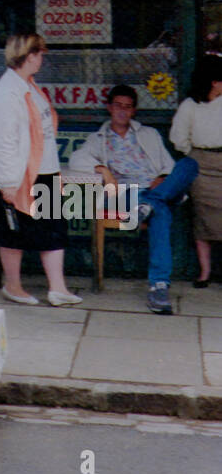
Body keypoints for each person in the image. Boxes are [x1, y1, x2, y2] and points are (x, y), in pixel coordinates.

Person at [69, 84, 198, 314]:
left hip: (154, 187)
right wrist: (102, 170)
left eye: (128, 107)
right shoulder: (98, 138)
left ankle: (149, 203)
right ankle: (159, 287)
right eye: (118, 106)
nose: (122, 111)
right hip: (126, 193)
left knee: (189, 164)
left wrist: (161, 178)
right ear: (109, 108)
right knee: (161, 212)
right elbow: (76, 159)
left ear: (133, 111)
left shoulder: (149, 134)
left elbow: (168, 167)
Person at [0, 33, 82, 307]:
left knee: (53, 229)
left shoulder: (29, 86)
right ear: (28, 56)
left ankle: (58, 288)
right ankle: (13, 286)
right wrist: (9, 183)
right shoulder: (6, 93)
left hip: (45, 170)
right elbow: (3, 143)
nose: (42, 59)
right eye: (39, 54)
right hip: (21, 175)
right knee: (13, 231)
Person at [169, 56, 222, 288]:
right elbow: (178, 137)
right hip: (201, 164)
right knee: (203, 219)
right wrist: (194, 153)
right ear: (213, 81)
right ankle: (205, 272)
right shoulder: (190, 106)